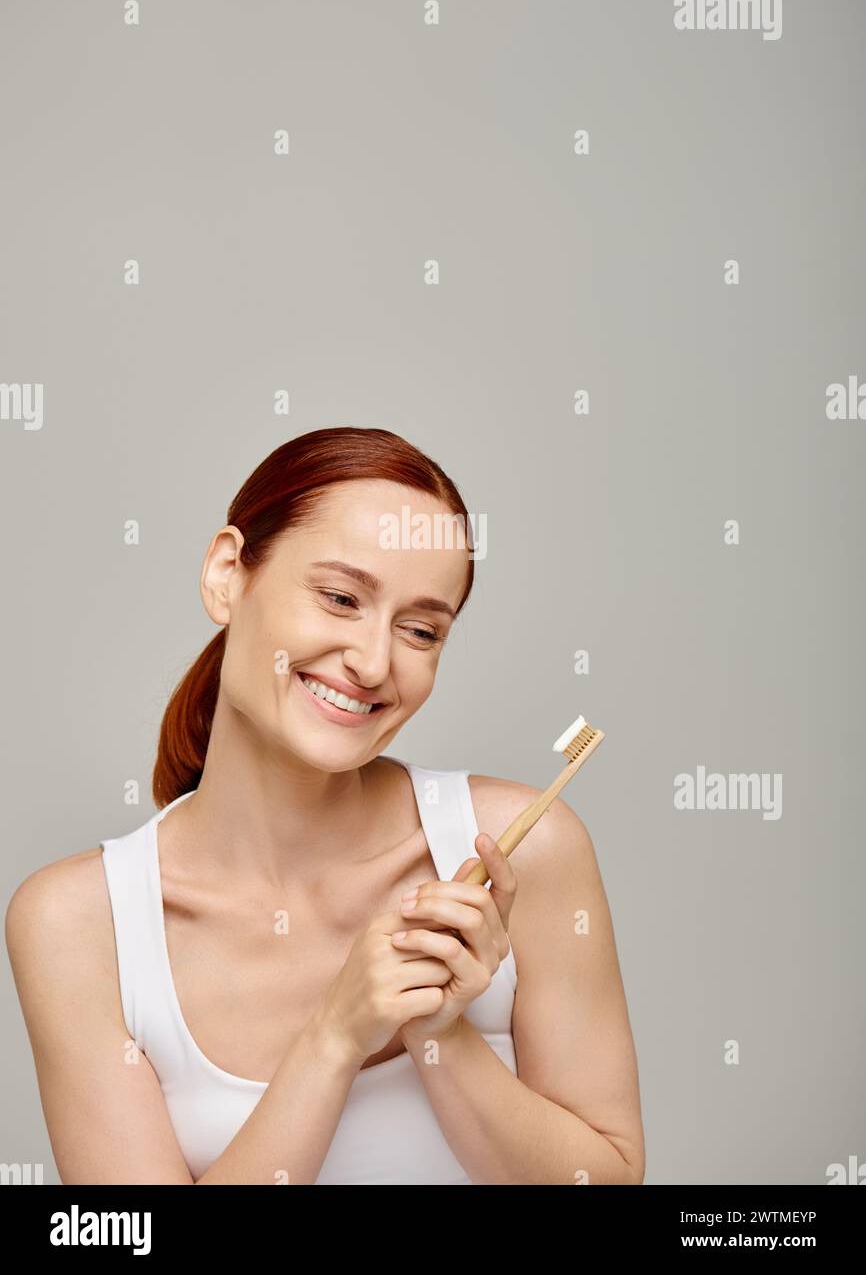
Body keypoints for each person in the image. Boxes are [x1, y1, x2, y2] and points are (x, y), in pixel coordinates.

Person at [5, 425, 645, 1184]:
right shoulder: (78, 923)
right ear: (226, 575)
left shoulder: (515, 848)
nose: (374, 663)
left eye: (420, 630)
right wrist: (336, 1036)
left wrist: (440, 1033)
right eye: (341, 598)